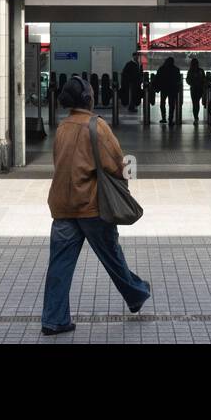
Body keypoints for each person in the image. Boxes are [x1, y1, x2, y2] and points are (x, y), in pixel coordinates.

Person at [41, 77, 150, 336]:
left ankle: (54, 320)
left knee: (59, 265)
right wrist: (128, 171)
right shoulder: (96, 126)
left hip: (62, 206)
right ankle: (136, 295)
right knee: (112, 257)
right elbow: (116, 164)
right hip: (91, 207)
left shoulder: (63, 127)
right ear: (88, 98)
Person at [154, 56, 183, 126]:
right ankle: (170, 119)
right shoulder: (176, 69)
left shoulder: (162, 68)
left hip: (163, 89)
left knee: (162, 103)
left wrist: (157, 87)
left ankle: (163, 118)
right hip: (172, 89)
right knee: (171, 104)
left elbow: (157, 78)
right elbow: (178, 79)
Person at [186, 57, 207, 123]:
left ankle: (196, 117)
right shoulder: (201, 70)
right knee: (197, 103)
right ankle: (196, 117)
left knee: (195, 103)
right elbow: (204, 79)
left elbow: (188, 80)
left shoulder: (190, 71)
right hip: (200, 89)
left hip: (193, 89)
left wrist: (192, 83)